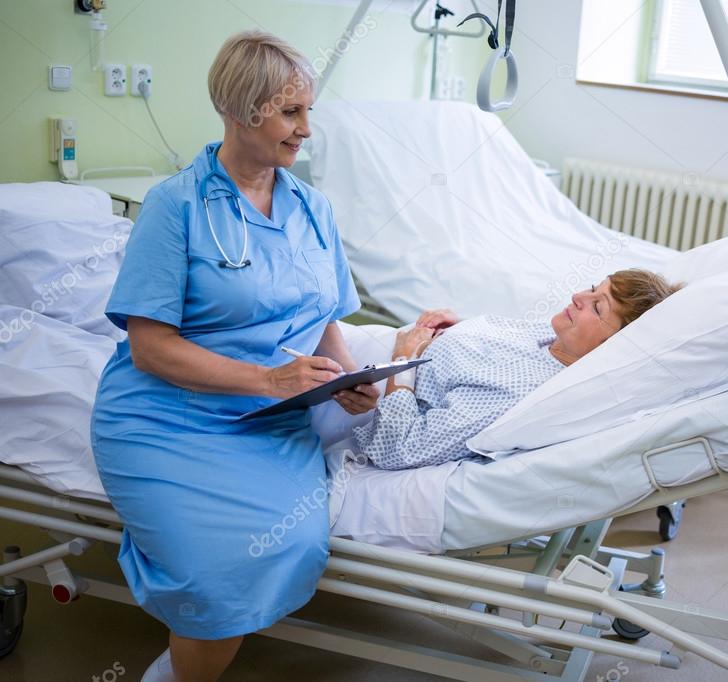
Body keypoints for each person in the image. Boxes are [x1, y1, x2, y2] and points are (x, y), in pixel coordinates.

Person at [90, 31, 379, 682]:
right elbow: (149, 346)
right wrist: (267, 377)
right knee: (213, 568)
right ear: (240, 112)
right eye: (290, 112)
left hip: (268, 422)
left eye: (308, 110)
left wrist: (344, 380)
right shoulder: (176, 205)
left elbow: (326, 316)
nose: (306, 129)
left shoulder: (311, 208)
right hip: (166, 417)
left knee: (291, 541)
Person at [351, 270, 681, 470]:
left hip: (353, 391)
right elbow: (500, 349)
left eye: (597, 306)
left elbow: (399, 448)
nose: (578, 296)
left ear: (613, 345)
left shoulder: (520, 395)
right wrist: (462, 328)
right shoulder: (554, 338)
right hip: (370, 349)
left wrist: (402, 363)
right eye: (594, 288)